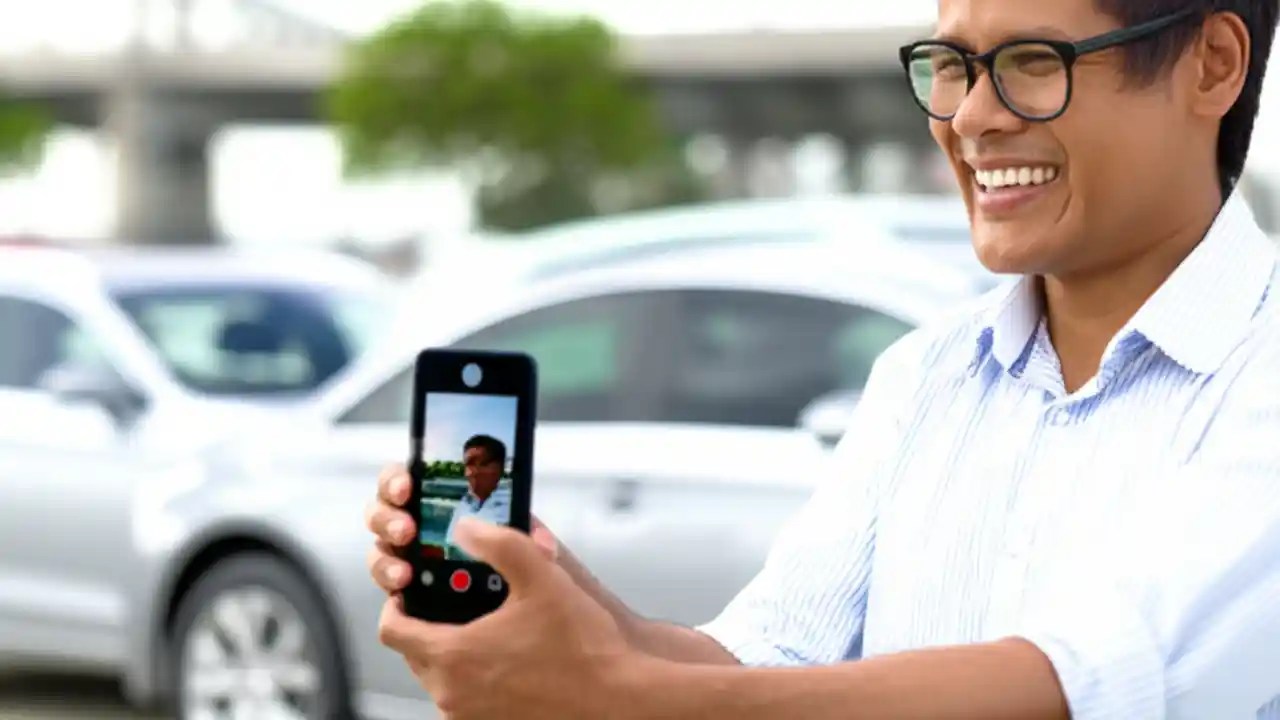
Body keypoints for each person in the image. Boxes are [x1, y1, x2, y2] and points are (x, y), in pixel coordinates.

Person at [364, 0, 1280, 716]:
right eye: (953, 66)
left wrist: (617, 695)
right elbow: (766, 661)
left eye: (1035, 64)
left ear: (1213, 64)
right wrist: (570, 603)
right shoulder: (926, 378)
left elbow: (1086, 681)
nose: (971, 117)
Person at [443, 435, 511, 559]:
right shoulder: (466, 502)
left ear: (500, 468)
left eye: (482, 464)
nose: (472, 472)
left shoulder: (509, 505)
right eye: (469, 464)